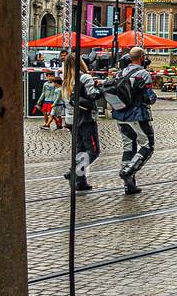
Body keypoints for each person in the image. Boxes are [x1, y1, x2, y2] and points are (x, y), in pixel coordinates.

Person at [104, 46, 156, 195]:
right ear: (142, 57)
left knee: (128, 148)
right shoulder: (143, 74)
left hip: (120, 115)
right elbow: (150, 97)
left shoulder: (120, 73)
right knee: (148, 146)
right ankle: (128, 171)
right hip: (138, 115)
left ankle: (129, 185)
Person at [60, 53, 102, 191]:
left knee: (80, 150)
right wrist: (101, 87)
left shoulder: (65, 80)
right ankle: (74, 171)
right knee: (93, 150)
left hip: (72, 119)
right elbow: (93, 95)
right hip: (86, 118)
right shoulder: (85, 78)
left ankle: (80, 181)